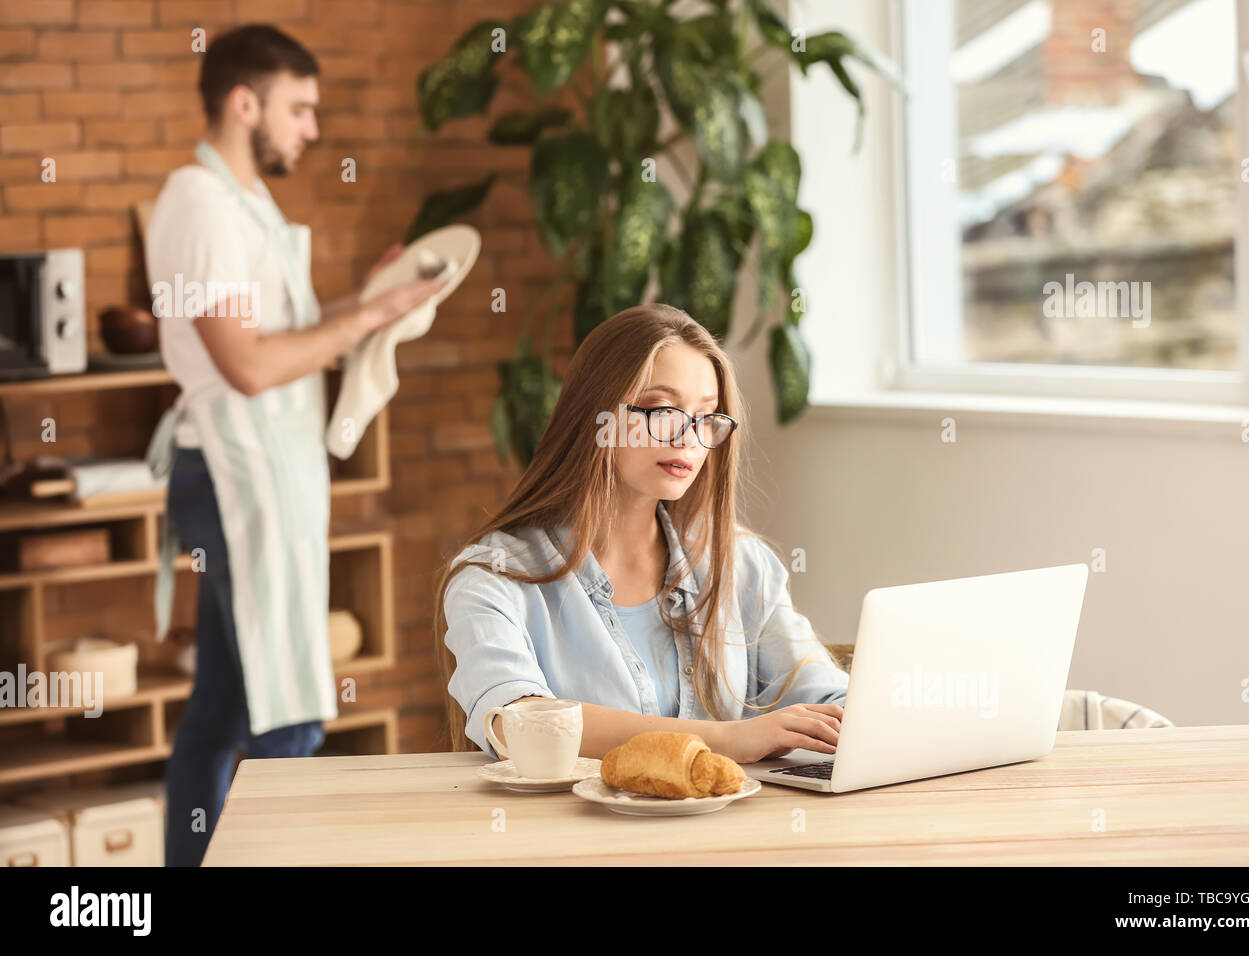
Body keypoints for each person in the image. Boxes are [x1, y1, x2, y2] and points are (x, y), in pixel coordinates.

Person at [144, 24, 445, 866]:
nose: (312, 129)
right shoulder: (200, 205)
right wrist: (366, 318)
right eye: (299, 108)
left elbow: (285, 336)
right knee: (291, 712)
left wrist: (372, 296)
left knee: (221, 710)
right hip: (238, 484)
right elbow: (245, 365)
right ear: (246, 104)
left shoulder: (246, 202)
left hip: (266, 480)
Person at [434, 304, 848, 766]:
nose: (688, 437)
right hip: (569, 838)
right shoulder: (494, 576)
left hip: (727, 836)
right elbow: (518, 724)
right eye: (661, 409)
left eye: (706, 416)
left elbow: (827, 696)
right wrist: (728, 739)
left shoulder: (741, 564)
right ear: (596, 416)